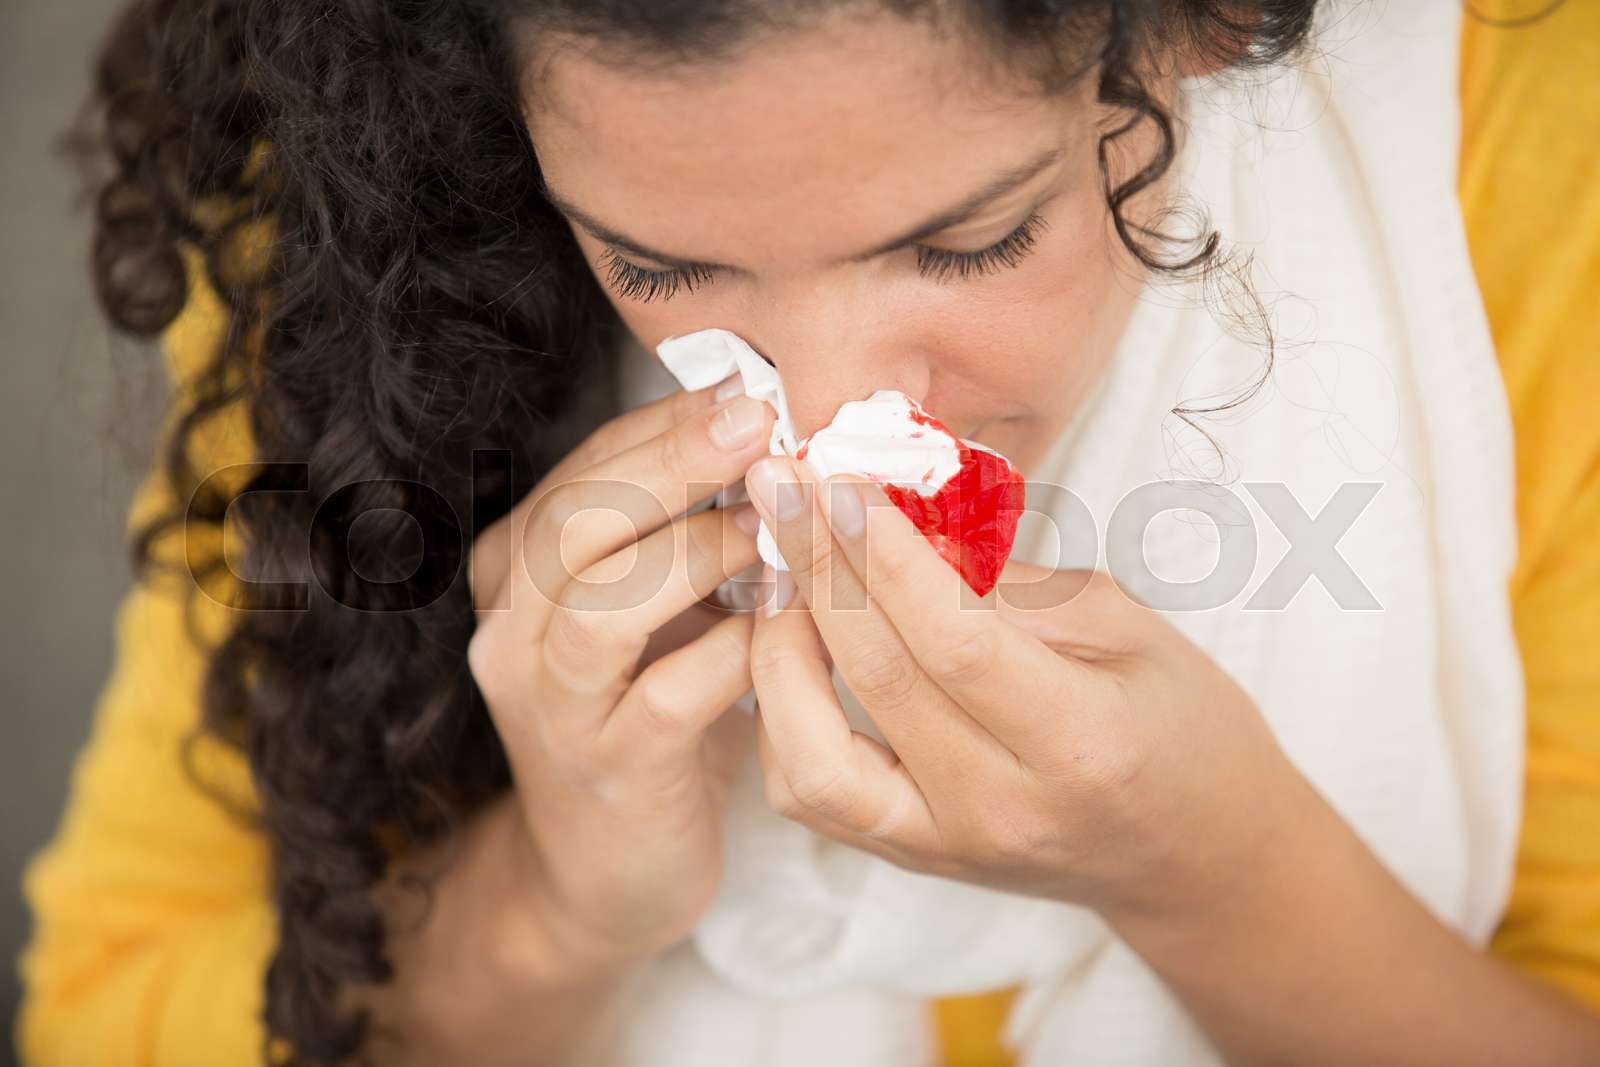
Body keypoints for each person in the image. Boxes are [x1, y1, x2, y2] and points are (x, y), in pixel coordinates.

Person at [14, 0, 1600, 1064]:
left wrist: (1215, 873)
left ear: (1196, 29)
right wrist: (557, 898)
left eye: (972, 244)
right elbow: (102, 1017)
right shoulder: (376, 281)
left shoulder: (1540, 166)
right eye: (662, 268)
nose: (822, 405)